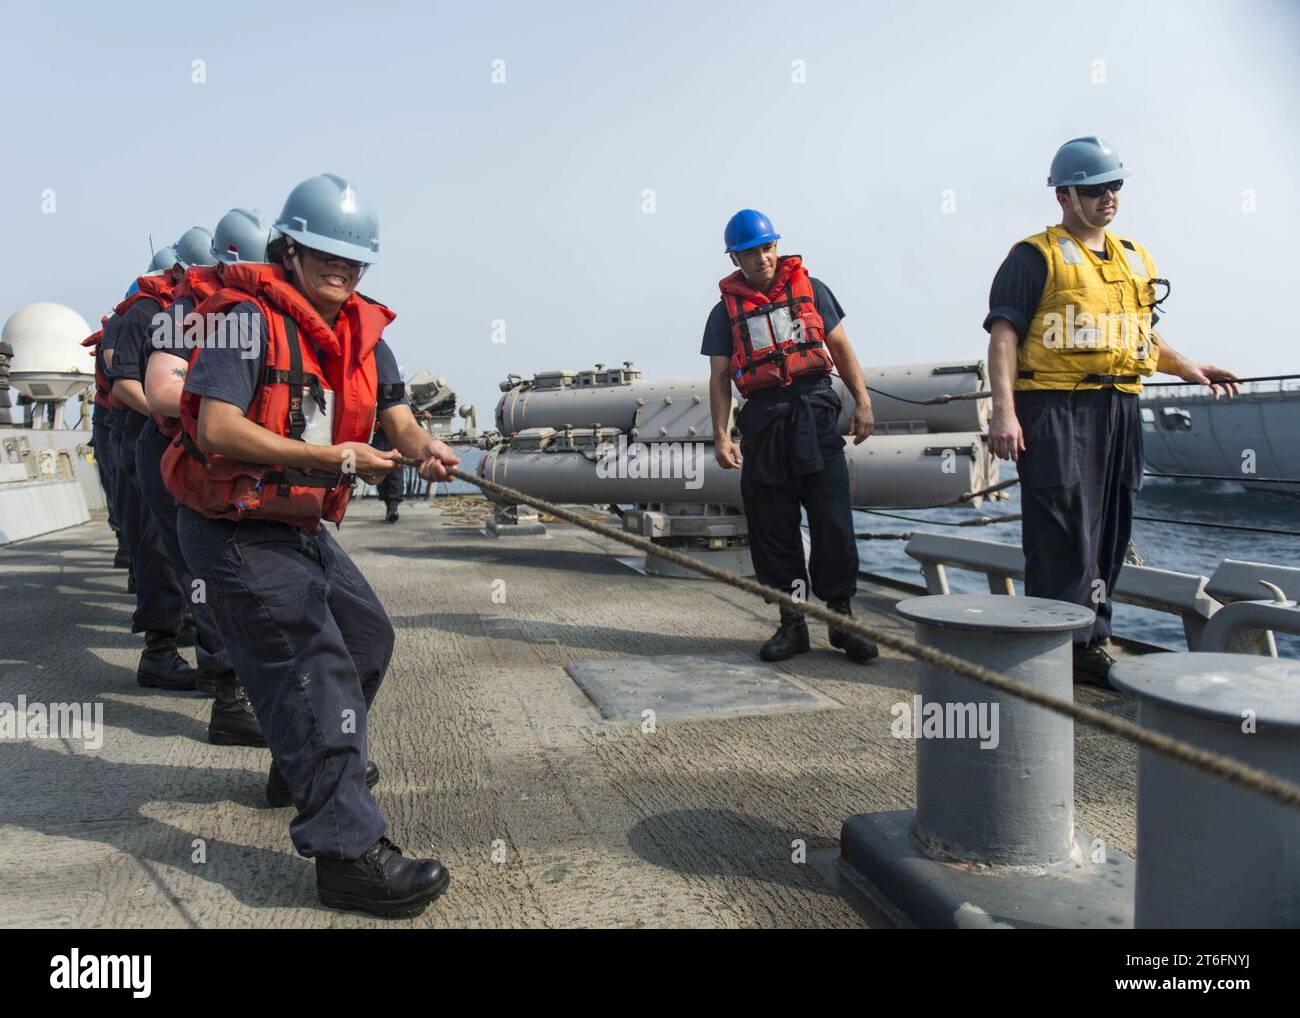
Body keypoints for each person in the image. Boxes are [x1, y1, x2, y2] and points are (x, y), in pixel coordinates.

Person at [163, 173, 459, 916]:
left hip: (293, 521)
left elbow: (394, 414)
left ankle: (300, 770)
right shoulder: (244, 318)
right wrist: (330, 460)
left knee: (365, 640)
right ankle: (348, 855)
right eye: (326, 255)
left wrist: (424, 448)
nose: (342, 272)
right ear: (288, 248)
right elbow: (216, 429)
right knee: (314, 667)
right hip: (233, 524)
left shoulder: (363, 332)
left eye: (355, 262)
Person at [983, 136, 1239, 687]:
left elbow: (1139, 335)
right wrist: (1004, 412)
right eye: (1096, 188)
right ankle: (1053, 646)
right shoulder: (1034, 257)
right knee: (1062, 525)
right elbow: (1003, 336)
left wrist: (1188, 366)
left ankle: (1092, 642)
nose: (1109, 197)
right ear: (1065, 196)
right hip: (1054, 404)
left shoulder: (1134, 257)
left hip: (1120, 403)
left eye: (1115, 185)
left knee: (1110, 527)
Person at [702, 209, 878, 665]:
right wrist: (722, 436)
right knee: (774, 528)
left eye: (767, 248)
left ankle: (842, 619)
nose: (761, 259)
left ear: (777, 247)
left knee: (833, 522)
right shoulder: (723, 313)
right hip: (763, 422)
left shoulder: (813, 290)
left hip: (815, 413)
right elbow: (720, 379)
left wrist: (862, 402)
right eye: (750, 253)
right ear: (734, 258)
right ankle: (792, 624)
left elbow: (840, 348)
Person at [139, 209, 274, 745]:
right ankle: (230, 700)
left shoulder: (262, 312)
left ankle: (257, 693)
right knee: (208, 582)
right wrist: (228, 405)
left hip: (239, 461)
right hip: (184, 456)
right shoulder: (184, 311)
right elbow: (160, 389)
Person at [105, 234, 215, 689]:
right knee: (154, 546)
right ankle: (159, 651)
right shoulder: (145, 315)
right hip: (142, 440)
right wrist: (170, 407)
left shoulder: (199, 315)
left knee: (187, 553)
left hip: (180, 440)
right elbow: (122, 378)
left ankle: (196, 636)